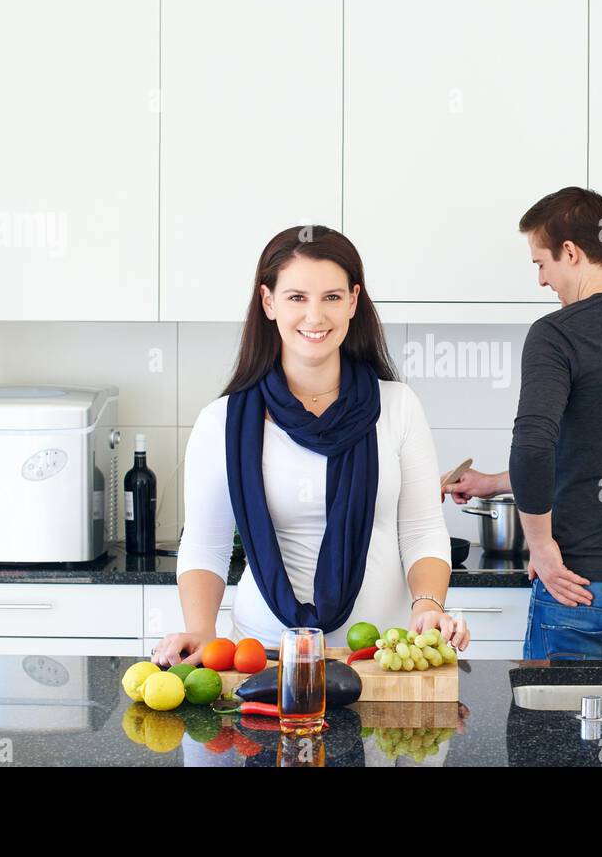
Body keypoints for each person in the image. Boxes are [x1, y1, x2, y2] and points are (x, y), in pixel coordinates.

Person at [153, 225, 470, 666]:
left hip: (381, 655)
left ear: (354, 301)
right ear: (268, 302)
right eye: (297, 297)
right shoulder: (222, 422)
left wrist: (428, 606)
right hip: (260, 656)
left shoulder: (397, 407)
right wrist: (201, 630)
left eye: (332, 297)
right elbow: (206, 544)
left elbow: (421, 531)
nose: (315, 316)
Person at [444, 187, 602, 660]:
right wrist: (493, 483)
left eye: (541, 263)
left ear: (570, 252)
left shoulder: (556, 333)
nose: (542, 281)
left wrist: (540, 548)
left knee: (556, 736)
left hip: (577, 591)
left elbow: (534, 449)